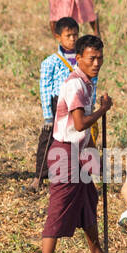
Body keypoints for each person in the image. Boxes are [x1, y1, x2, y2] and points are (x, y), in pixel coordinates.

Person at [40, 35, 113, 253]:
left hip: (77, 151)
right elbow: (81, 123)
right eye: (91, 58)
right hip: (64, 153)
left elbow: (82, 132)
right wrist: (103, 110)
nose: (96, 63)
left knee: (87, 200)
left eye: (100, 58)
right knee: (59, 208)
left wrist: (94, 158)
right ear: (79, 58)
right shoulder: (75, 85)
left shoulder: (87, 83)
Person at [34, 16, 80, 190]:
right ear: (58, 37)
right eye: (68, 35)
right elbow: (44, 88)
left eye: (75, 35)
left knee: (74, 137)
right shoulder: (50, 62)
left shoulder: (83, 59)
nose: (72, 39)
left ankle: (70, 174)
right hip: (57, 103)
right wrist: (47, 115)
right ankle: (39, 177)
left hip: (76, 102)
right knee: (48, 138)